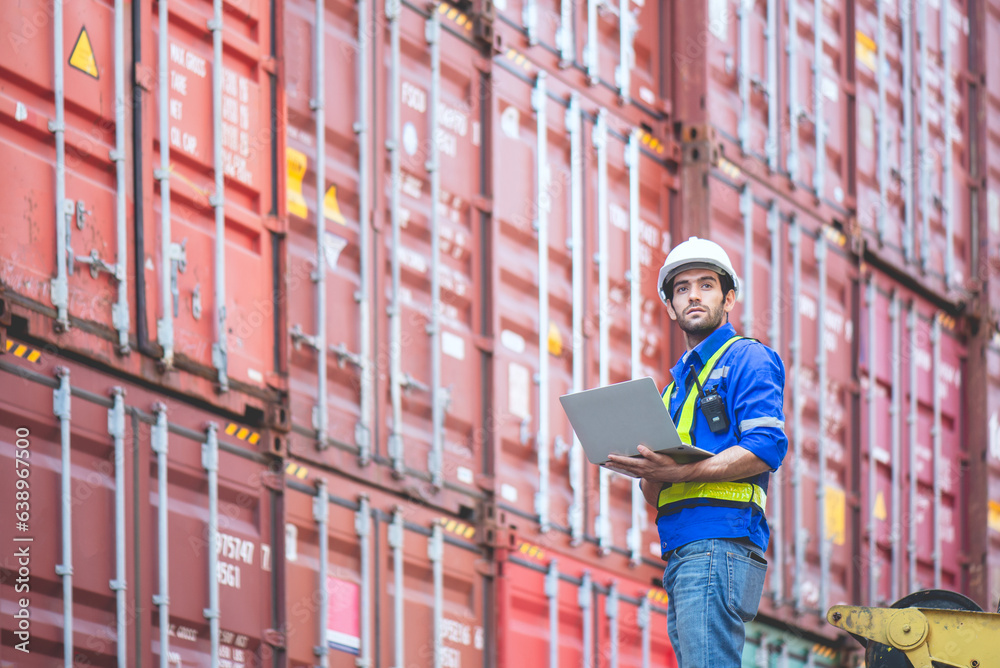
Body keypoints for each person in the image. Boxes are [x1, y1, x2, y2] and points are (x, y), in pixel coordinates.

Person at [604, 236, 787, 667]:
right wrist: (648, 470)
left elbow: (767, 447)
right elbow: (658, 493)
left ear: (730, 297)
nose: (693, 296)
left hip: (719, 543)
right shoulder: (671, 390)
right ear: (670, 307)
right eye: (682, 289)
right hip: (684, 548)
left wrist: (683, 473)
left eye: (706, 285)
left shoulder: (748, 358)